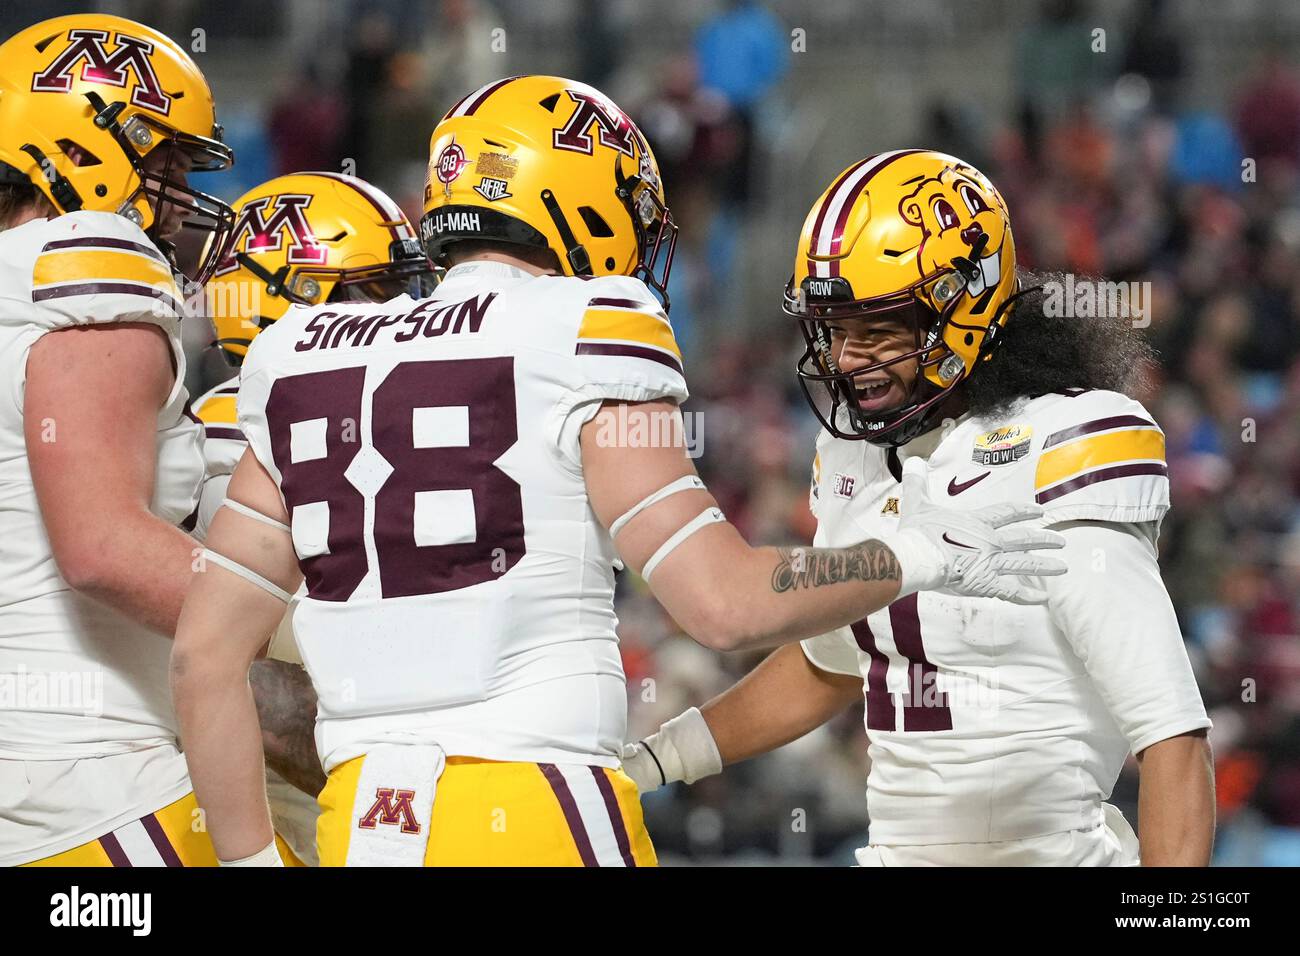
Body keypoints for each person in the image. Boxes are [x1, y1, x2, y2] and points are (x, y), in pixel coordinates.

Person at [170, 80, 1065, 867]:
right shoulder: (589, 323)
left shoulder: (296, 355)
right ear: (578, 203)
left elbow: (205, 659)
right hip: (535, 810)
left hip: (360, 819)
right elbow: (725, 604)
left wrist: (250, 859)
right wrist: (915, 554)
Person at [623, 150, 1216, 867]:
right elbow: (832, 662)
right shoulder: (856, 456)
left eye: (875, 328)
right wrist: (652, 762)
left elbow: (1170, 733)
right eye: (832, 328)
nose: (844, 358)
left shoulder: (1064, 440)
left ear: (962, 303)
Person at [0, 14, 235, 866]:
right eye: (166, 164)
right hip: (98, 792)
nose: (178, 201)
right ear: (83, 143)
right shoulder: (83, 272)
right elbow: (102, 547)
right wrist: (310, 628)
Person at [191, 170, 439, 866]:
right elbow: (260, 693)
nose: (410, 310)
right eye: (380, 289)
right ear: (292, 299)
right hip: (301, 814)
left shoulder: (367, 411)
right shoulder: (230, 437)